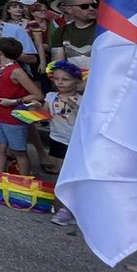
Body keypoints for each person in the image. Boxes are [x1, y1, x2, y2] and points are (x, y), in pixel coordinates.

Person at [0, 37, 44, 176]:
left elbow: (37, 94)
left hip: (13, 118)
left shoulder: (16, 71)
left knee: (18, 150)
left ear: (0, 52)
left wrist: (14, 101)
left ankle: (23, 181)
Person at [45, 60, 84, 226]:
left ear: (77, 82)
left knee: (71, 176)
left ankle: (68, 209)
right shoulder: (51, 96)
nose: (60, 82)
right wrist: (31, 109)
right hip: (57, 138)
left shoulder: (82, 100)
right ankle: (65, 207)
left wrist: (75, 107)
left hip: (75, 142)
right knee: (61, 174)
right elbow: (44, 113)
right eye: (57, 78)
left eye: (65, 79)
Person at [49, 0, 97, 71]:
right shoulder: (61, 32)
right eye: (84, 6)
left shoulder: (106, 29)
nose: (91, 8)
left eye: (94, 5)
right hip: (75, 80)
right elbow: (58, 63)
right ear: (69, 9)